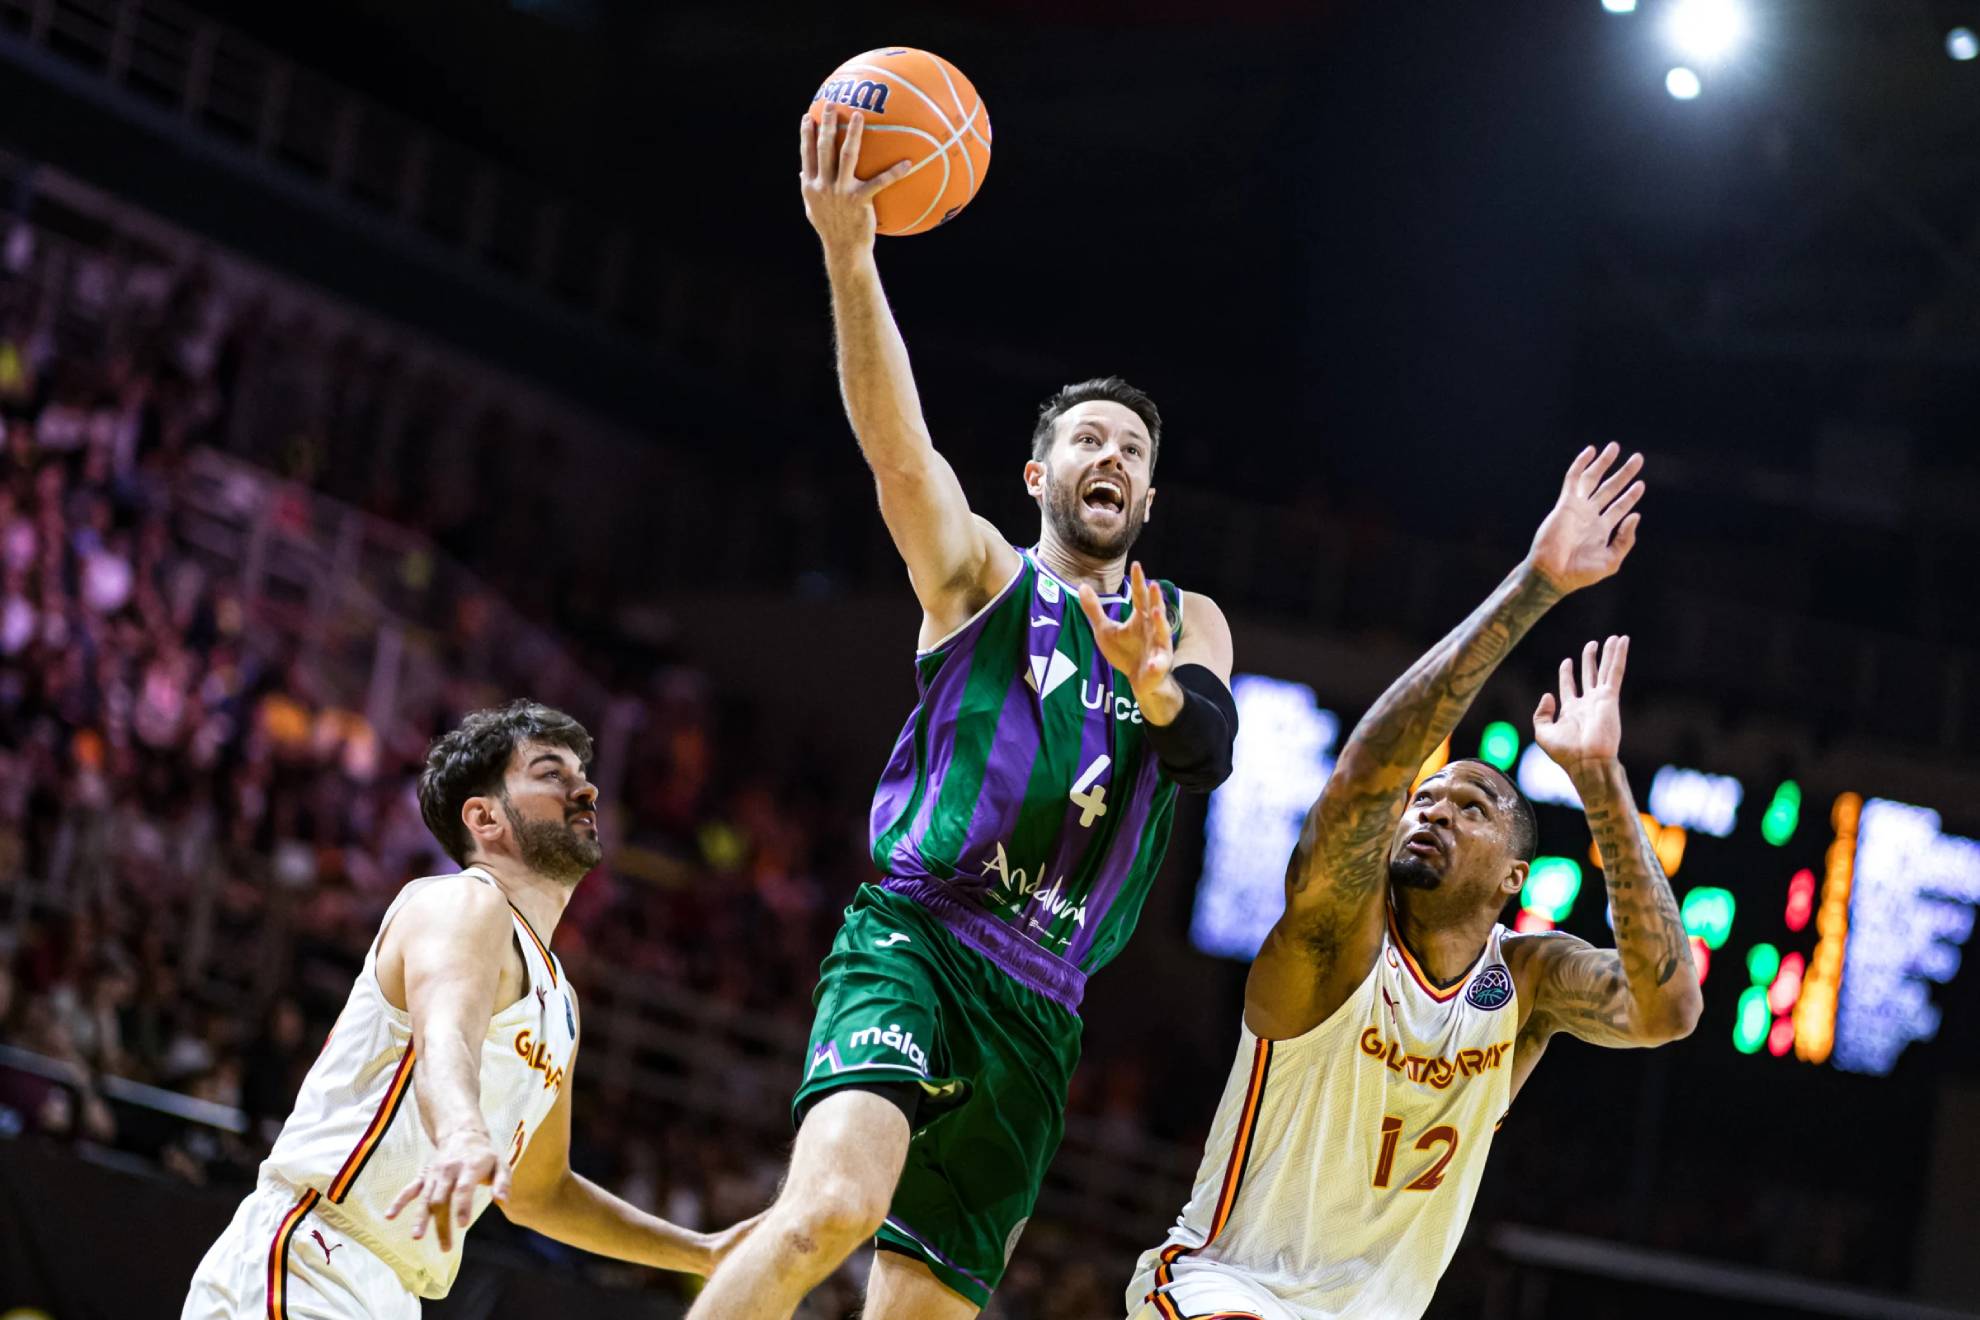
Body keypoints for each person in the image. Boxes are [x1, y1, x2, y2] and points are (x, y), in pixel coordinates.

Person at [685, 111, 1242, 1320]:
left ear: (1145, 496)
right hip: (920, 936)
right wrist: (849, 257)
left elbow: (1207, 750)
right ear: (1039, 475)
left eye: (1133, 450)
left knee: (928, 1312)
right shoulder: (981, 575)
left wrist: (1151, 685)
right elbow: (897, 452)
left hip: (1044, 1003)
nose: (1113, 455)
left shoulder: (1189, 621)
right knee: (829, 1209)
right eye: (1087, 437)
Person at [1128, 446, 1702, 1320]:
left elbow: (1667, 1011)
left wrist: (1599, 779)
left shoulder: (1531, 981)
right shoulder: (1338, 935)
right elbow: (1366, 778)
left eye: (1468, 805)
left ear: (1515, 876)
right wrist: (1535, 584)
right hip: (1226, 1288)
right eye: (1423, 798)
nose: (1428, 810)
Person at [184, 701, 753, 1318]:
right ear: (485, 817)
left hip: (390, 1291)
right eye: (550, 774)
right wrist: (460, 1132)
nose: (584, 788)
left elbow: (541, 1193)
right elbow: (444, 1039)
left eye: (581, 773)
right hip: (311, 1254)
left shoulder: (560, 1002)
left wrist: (704, 1252)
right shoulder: (465, 903)